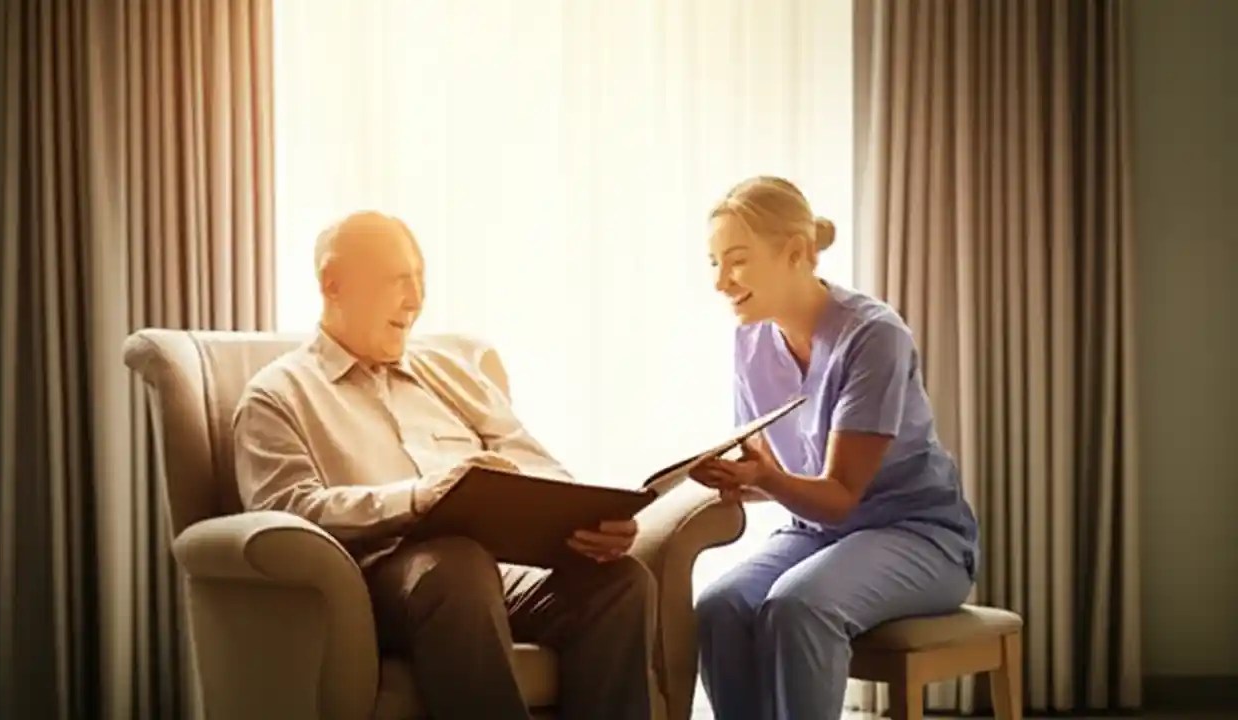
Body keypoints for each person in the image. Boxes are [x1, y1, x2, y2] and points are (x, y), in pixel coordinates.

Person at [232, 210, 655, 720]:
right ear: (332, 284)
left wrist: (588, 520)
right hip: (375, 586)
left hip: (490, 575)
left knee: (621, 582)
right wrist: (418, 496)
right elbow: (287, 506)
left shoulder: (450, 373)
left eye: (420, 278)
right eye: (397, 280)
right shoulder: (277, 395)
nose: (415, 300)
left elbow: (534, 462)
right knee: (455, 565)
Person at [690, 177, 980, 720]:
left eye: (737, 261)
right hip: (818, 534)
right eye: (712, 263)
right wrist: (731, 478)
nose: (720, 282)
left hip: (920, 536)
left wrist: (762, 478)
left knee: (798, 605)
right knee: (720, 606)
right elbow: (772, 472)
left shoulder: (873, 335)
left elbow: (840, 495)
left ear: (795, 252)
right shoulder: (750, 339)